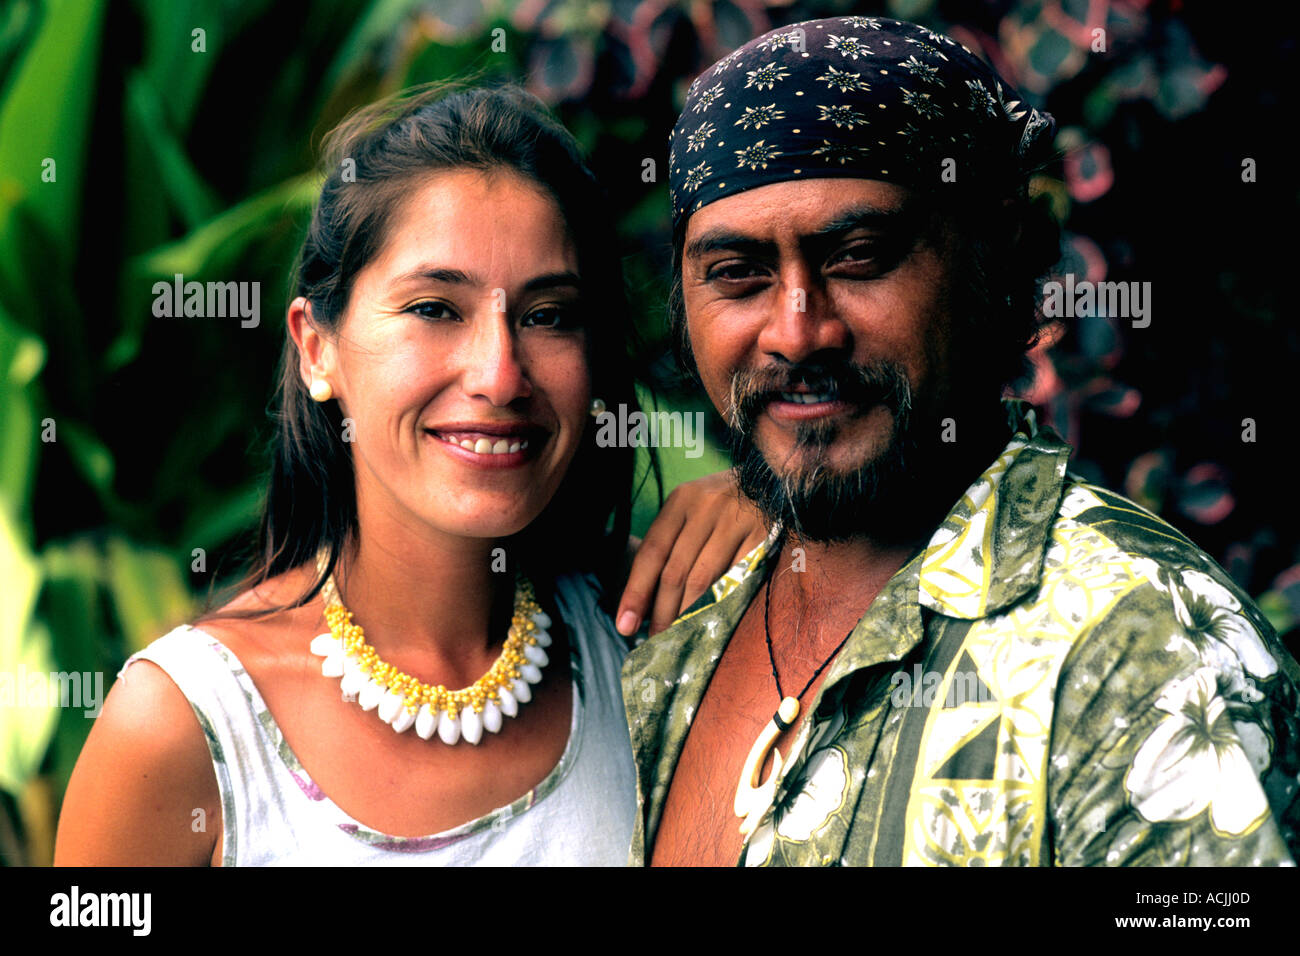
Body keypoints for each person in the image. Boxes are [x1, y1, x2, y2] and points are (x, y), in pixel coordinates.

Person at [622, 16, 1300, 866]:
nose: (798, 333)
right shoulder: (664, 639)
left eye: (859, 257)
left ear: (995, 265)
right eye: (738, 274)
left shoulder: (1146, 648)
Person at [54, 83, 764, 866]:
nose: (500, 375)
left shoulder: (659, 636)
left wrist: (783, 514)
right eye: (434, 308)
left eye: (548, 314)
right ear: (317, 348)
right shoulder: (184, 726)